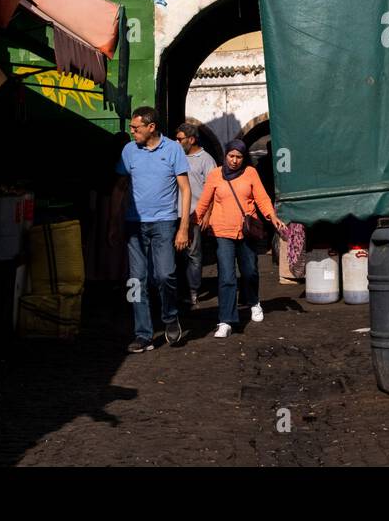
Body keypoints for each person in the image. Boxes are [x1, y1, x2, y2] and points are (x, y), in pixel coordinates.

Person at [114, 107, 191, 353]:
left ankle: (170, 317)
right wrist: (113, 223)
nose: (132, 131)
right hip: (134, 224)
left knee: (165, 275)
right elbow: (119, 188)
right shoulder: (128, 151)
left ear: (151, 127)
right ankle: (143, 334)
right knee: (136, 281)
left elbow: (186, 190)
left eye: (136, 128)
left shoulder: (173, 149)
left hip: (164, 223)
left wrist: (184, 228)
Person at [193, 139, 284, 339]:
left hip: (246, 231)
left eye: (239, 157)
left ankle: (253, 301)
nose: (234, 160)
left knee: (250, 271)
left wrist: (272, 217)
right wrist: (190, 222)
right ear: (225, 156)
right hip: (222, 232)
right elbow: (204, 202)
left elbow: (261, 198)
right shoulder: (215, 175)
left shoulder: (250, 173)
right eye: (231, 156)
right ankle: (226, 320)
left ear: (244, 158)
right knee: (226, 276)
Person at [174, 119, 217, 308]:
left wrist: (207, 214)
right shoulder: (176, 156)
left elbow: (213, 188)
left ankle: (193, 292)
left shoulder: (206, 159)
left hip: (193, 214)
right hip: (172, 213)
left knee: (193, 254)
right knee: (175, 254)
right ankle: (177, 291)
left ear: (191, 140)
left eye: (179, 139)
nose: (176, 142)